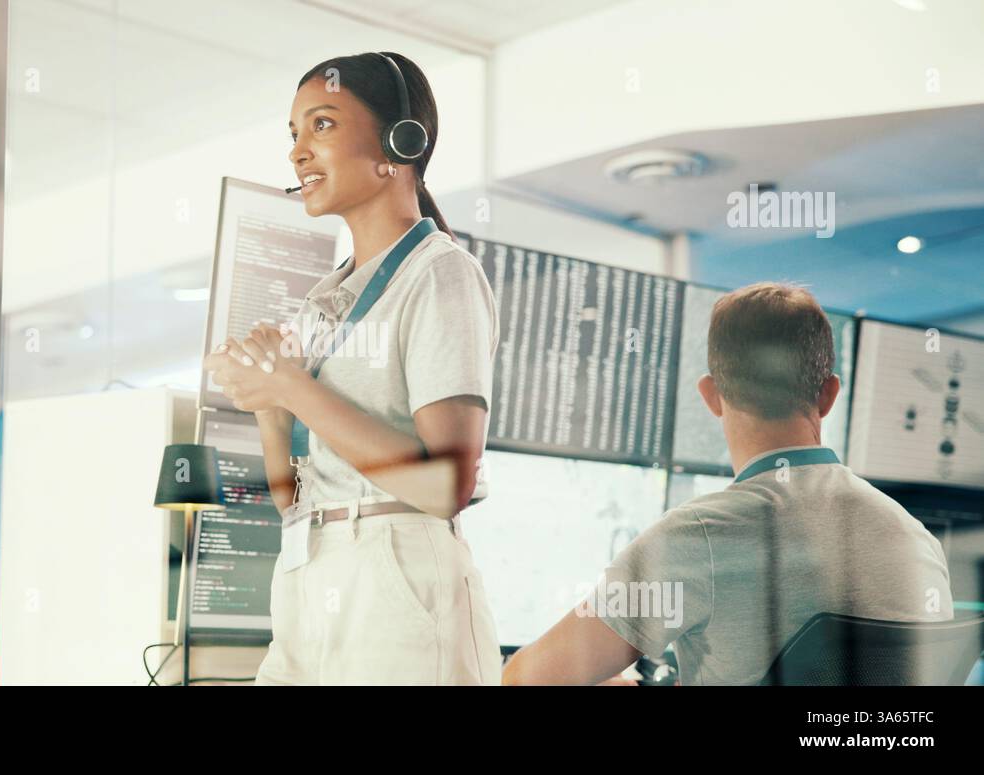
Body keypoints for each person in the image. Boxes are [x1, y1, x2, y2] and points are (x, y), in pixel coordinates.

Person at [202, 51, 502, 685]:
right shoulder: (323, 298)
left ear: (401, 143)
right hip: (309, 563)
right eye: (293, 134)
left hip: (393, 568)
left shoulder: (440, 275)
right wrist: (270, 404)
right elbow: (289, 498)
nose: (297, 152)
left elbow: (444, 484)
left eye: (323, 125)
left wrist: (293, 386)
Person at [503, 282, 953, 685]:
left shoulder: (699, 535)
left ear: (711, 395)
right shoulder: (916, 539)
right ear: (829, 394)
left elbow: (527, 679)